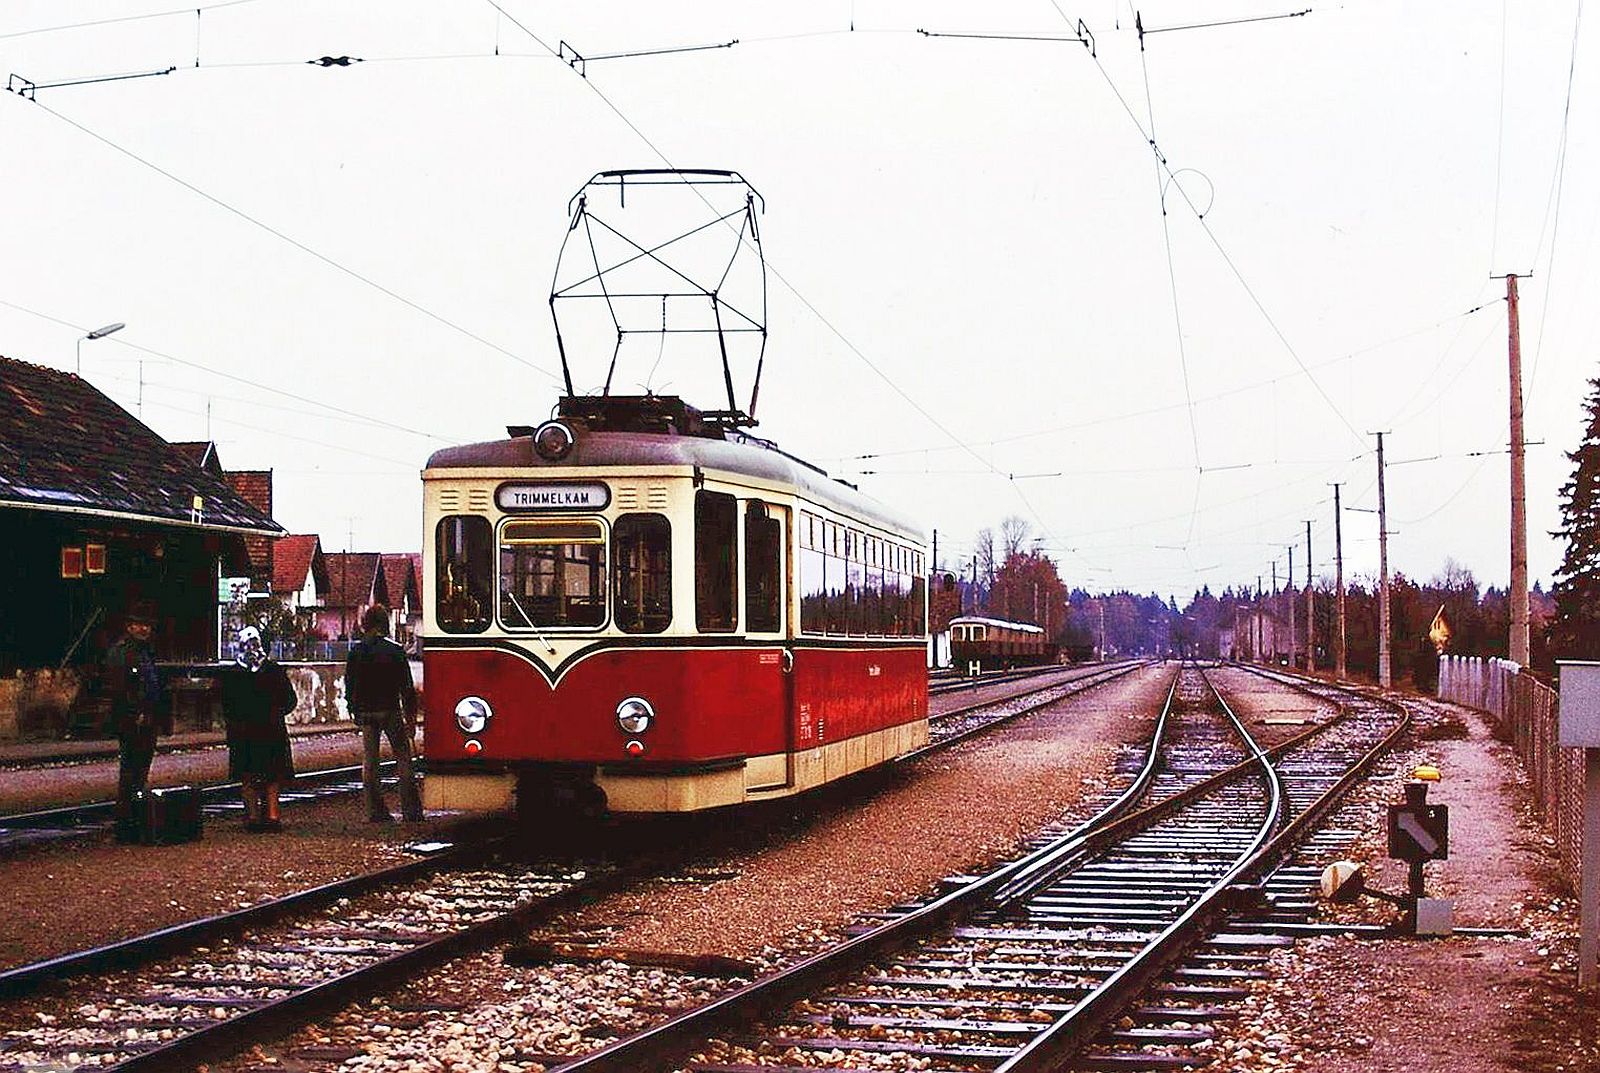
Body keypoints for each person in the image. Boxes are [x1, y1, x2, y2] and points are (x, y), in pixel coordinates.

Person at [345, 604, 422, 823]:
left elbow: (349, 684)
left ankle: (375, 811)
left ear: (366, 624)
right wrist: (411, 718)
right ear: (383, 624)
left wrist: (354, 710)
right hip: (390, 710)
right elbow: (406, 688)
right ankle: (411, 811)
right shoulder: (394, 650)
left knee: (370, 761)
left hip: (366, 712)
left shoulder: (356, 651)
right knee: (403, 758)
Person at [219, 626, 298, 832]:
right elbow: (290, 700)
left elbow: (225, 703)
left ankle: (253, 817)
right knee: (272, 776)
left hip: (242, 732)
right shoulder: (274, 670)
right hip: (272, 730)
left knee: (247, 776)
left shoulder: (232, 673)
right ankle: (273, 816)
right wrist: (274, 712)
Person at [102, 600, 168, 842]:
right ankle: (126, 824)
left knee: (139, 772)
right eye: (139, 625)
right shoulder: (122, 653)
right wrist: (134, 712)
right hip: (132, 721)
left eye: (147, 626)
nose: (144, 629)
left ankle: (134, 820)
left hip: (147, 720)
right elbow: (120, 689)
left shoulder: (145, 651)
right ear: (129, 627)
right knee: (131, 772)